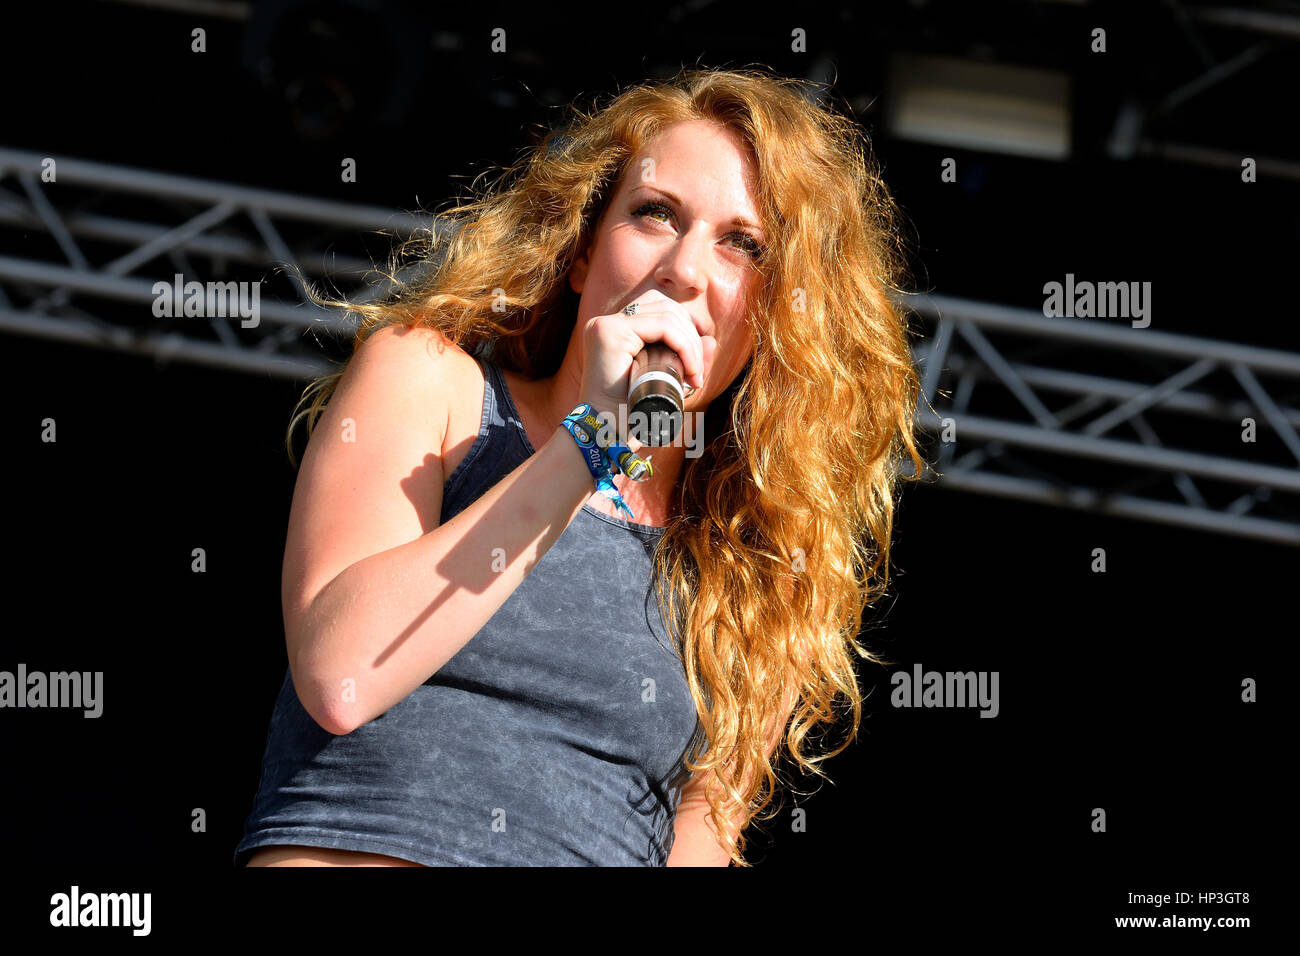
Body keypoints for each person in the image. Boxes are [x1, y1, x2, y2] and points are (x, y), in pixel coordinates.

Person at [234, 66, 926, 868]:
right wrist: (592, 443)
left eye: (743, 243)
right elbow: (338, 673)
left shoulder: (759, 560)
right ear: (581, 250)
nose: (685, 268)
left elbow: (703, 834)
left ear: (779, 317)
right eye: (655, 214)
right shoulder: (434, 386)